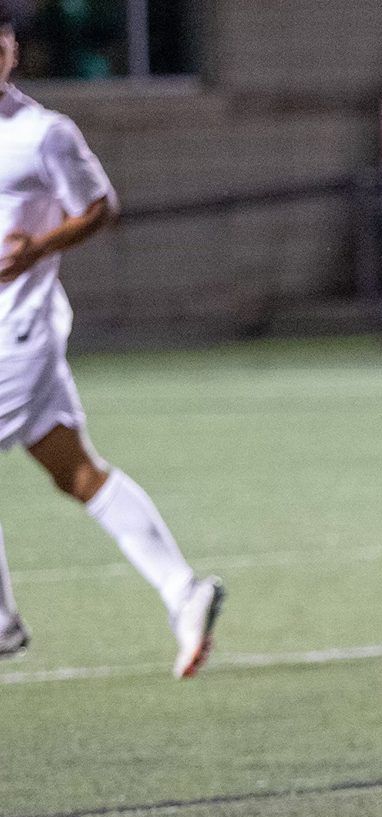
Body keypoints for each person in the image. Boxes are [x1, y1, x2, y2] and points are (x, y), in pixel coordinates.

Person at [0, 13, 222, 678]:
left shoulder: (42, 134)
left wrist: (39, 246)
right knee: (76, 472)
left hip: (19, 331)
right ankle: (185, 592)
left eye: (0, 37)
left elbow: (100, 207)